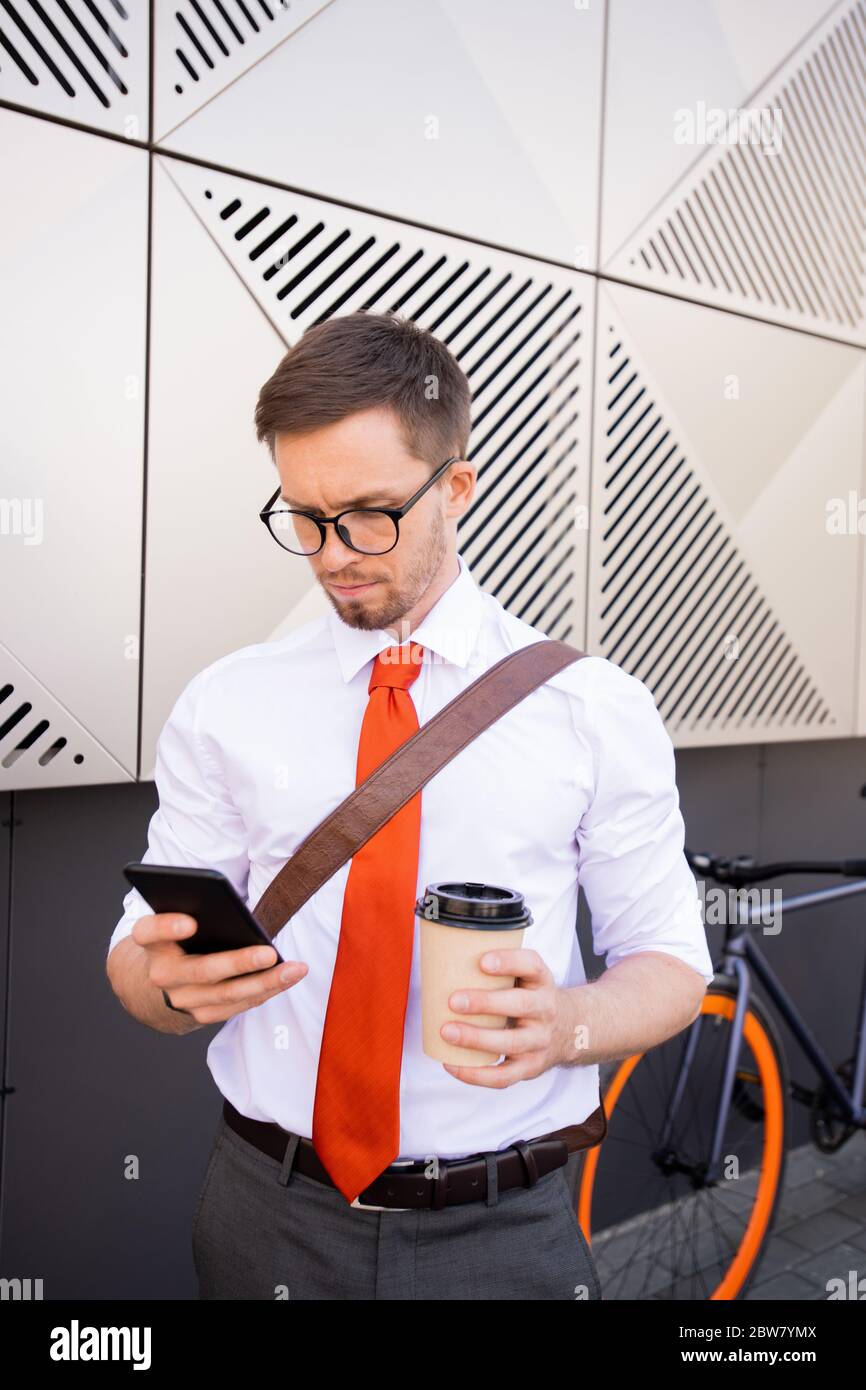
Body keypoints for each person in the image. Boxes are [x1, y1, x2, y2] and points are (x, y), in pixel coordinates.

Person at [106, 310, 714, 1301]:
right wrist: (167, 987)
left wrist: (565, 1021)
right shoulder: (227, 701)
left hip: (502, 1230)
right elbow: (139, 963)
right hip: (265, 1211)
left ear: (456, 487)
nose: (332, 552)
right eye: (303, 517)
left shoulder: (592, 708)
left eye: (368, 513)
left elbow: (671, 965)